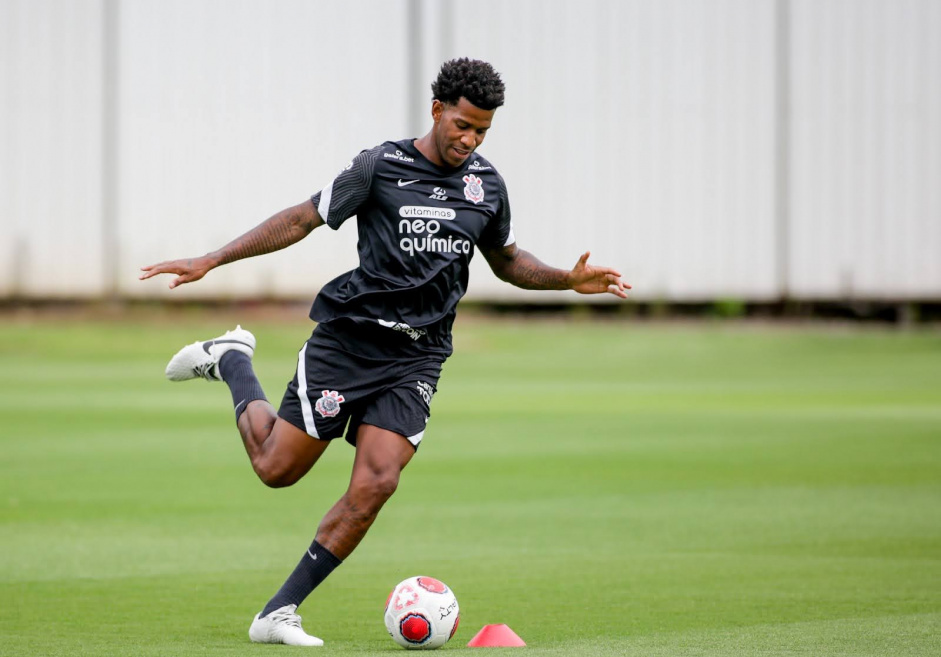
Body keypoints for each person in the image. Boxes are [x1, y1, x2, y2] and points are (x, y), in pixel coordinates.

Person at [140, 58, 630, 647]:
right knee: (276, 470)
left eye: (482, 131)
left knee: (377, 482)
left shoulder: (486, 185)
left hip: (417, 359)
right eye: (463, 126)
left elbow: (506, 261)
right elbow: (302, 218)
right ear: (437, 111)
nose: (470, 140)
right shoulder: (379, 166)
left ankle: (279, 611)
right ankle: (232, 359)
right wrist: (211, 259)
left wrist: (564, 281)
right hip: (349, 341)